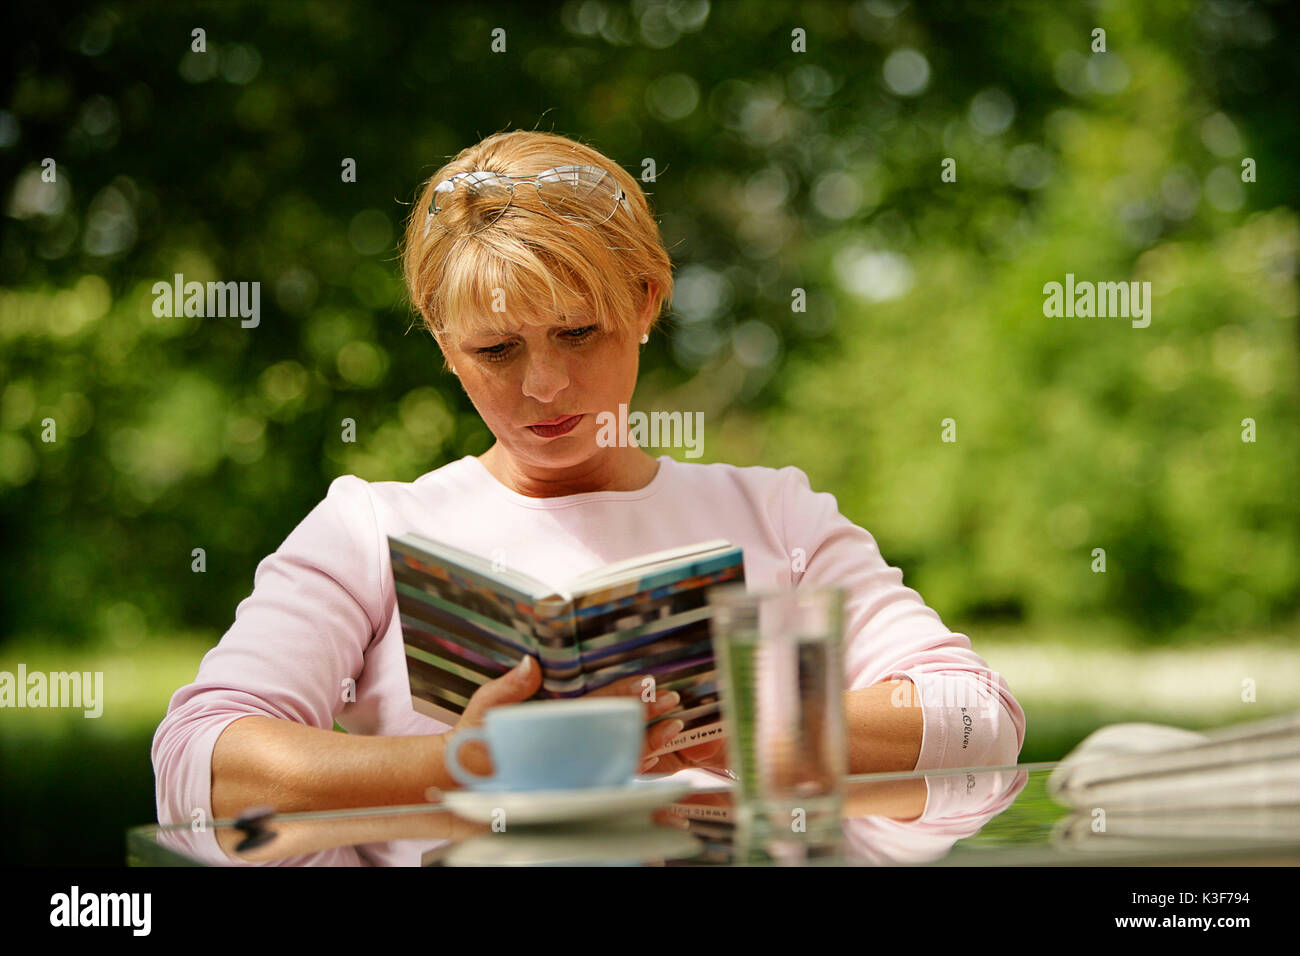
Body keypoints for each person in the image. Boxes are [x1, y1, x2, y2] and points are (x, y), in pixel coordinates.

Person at [152, 131, 1026, 836]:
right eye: (495, 350)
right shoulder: (371, 528)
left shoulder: (773, 512)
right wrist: (463, 767)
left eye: (577, 333)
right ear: (445, 345)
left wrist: (727, 728)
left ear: (646, 302)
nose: (543, 388)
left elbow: (980, 730)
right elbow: (199, 770)